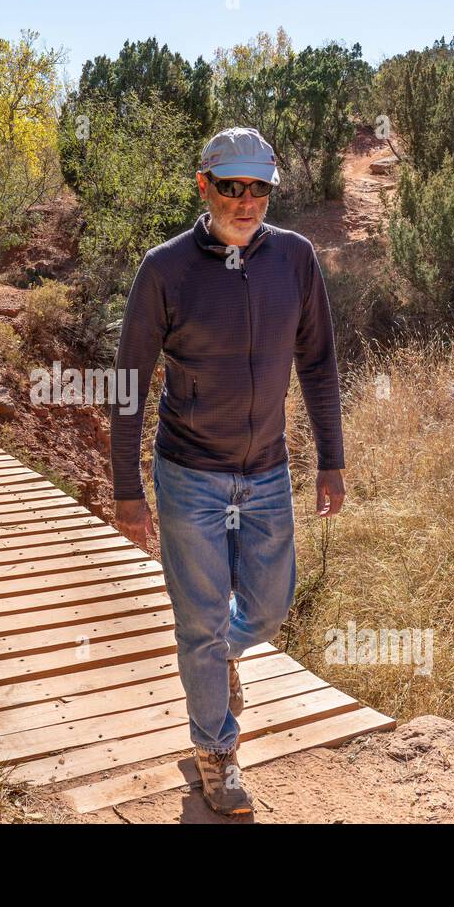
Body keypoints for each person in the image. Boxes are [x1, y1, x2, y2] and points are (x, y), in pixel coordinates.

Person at [108, 126, 346, 816]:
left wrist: (332, 459)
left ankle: (220, 656)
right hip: (189, 476)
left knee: (269, 609)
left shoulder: (295, 260)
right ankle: (217, 753)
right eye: (233, 187)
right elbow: (130, 383)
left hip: (268, 473)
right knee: (200, 622)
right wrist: (127, 492)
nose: (247, 202)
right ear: (204, 185)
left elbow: (320, 364)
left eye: (260, 188)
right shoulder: (165, 269)